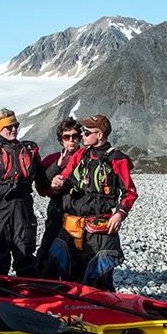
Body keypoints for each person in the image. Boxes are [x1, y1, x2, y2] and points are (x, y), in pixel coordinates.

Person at [49, 114, 137, 291]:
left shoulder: (117, 159)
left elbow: (130, 193)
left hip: (100, 227)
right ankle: (74, 308)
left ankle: (105, 310)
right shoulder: (81, 154)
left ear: (100, 135)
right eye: (82, 131)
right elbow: (65, 177)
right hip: (74, 224)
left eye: (87, 132)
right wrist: (57, 182)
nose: (82, 135)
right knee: (71, 272)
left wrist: (119, 214)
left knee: (100, 277)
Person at [0, 109, 50, 277]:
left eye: (15, 125)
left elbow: (42, 178)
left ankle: (28, 287)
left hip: (23, 206)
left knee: (25, 249)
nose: (13, 129)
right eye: (8, 127)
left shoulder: (29, 150)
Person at [37, 118, 82, 276]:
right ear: (61, 139)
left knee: (77, 250)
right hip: (57, 208)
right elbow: (40, 187)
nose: (71, 140)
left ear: (80, 137)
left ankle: (74, 285)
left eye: (74, 136)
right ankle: (43, 282)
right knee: (49, 246)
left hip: (79, 210)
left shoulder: (88, 158)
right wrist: (55, 174)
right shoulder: (51, 159)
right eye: (66, 136)